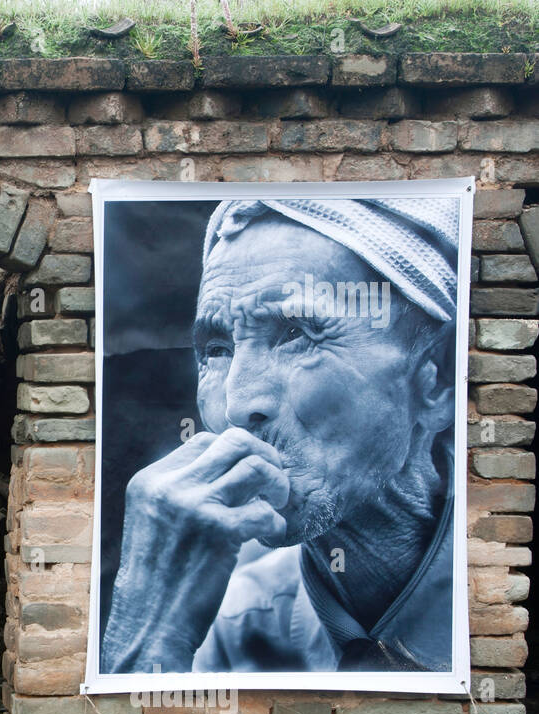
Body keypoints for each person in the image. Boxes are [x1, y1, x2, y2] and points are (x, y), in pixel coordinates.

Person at [101, 197, 459, 674]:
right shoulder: (232, 622)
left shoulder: (501, 591)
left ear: (438, 379)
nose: (235, 404)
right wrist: (148, 632)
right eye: (217, 348)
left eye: (296, 333)